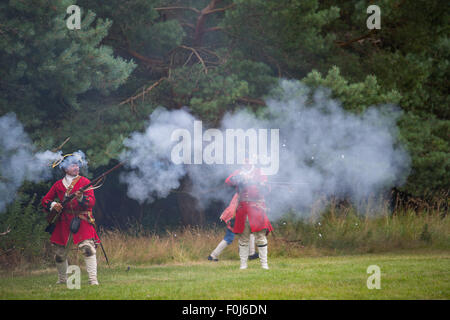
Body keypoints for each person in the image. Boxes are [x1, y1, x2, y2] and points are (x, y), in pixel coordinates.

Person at [41, 152, 100, 285]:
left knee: (88, 249)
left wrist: (80, 197)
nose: (76, 167)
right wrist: (53, 204)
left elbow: (91, 202)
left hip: (82, 219)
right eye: (73, 165)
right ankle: (63, 280)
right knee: (60, 254)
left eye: (77, 165)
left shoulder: (85, 182)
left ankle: (93, 280)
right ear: (65, 168)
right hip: (63, 221)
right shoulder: (58, 185)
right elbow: (45, 200)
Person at [225, 159, 273, 269]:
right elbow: (228, 181)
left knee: (260, 237)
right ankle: (243, 264)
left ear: (252, 162)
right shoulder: (238, 173)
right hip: (242, 209)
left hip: (256, 208)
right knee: (243, 238)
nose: (246, 163)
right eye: (244, 161)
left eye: (248, 161)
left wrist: (261, 184)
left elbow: (267, 189)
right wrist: (240, 178)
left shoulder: (259, 172)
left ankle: (264, 264)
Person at [208, 192, 259, 261]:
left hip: (234, 215)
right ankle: (251, 253)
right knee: (247, 233)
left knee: (233, 237)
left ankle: (213, 256)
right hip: (235, 216)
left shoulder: (241, 191)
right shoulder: (244, 192)